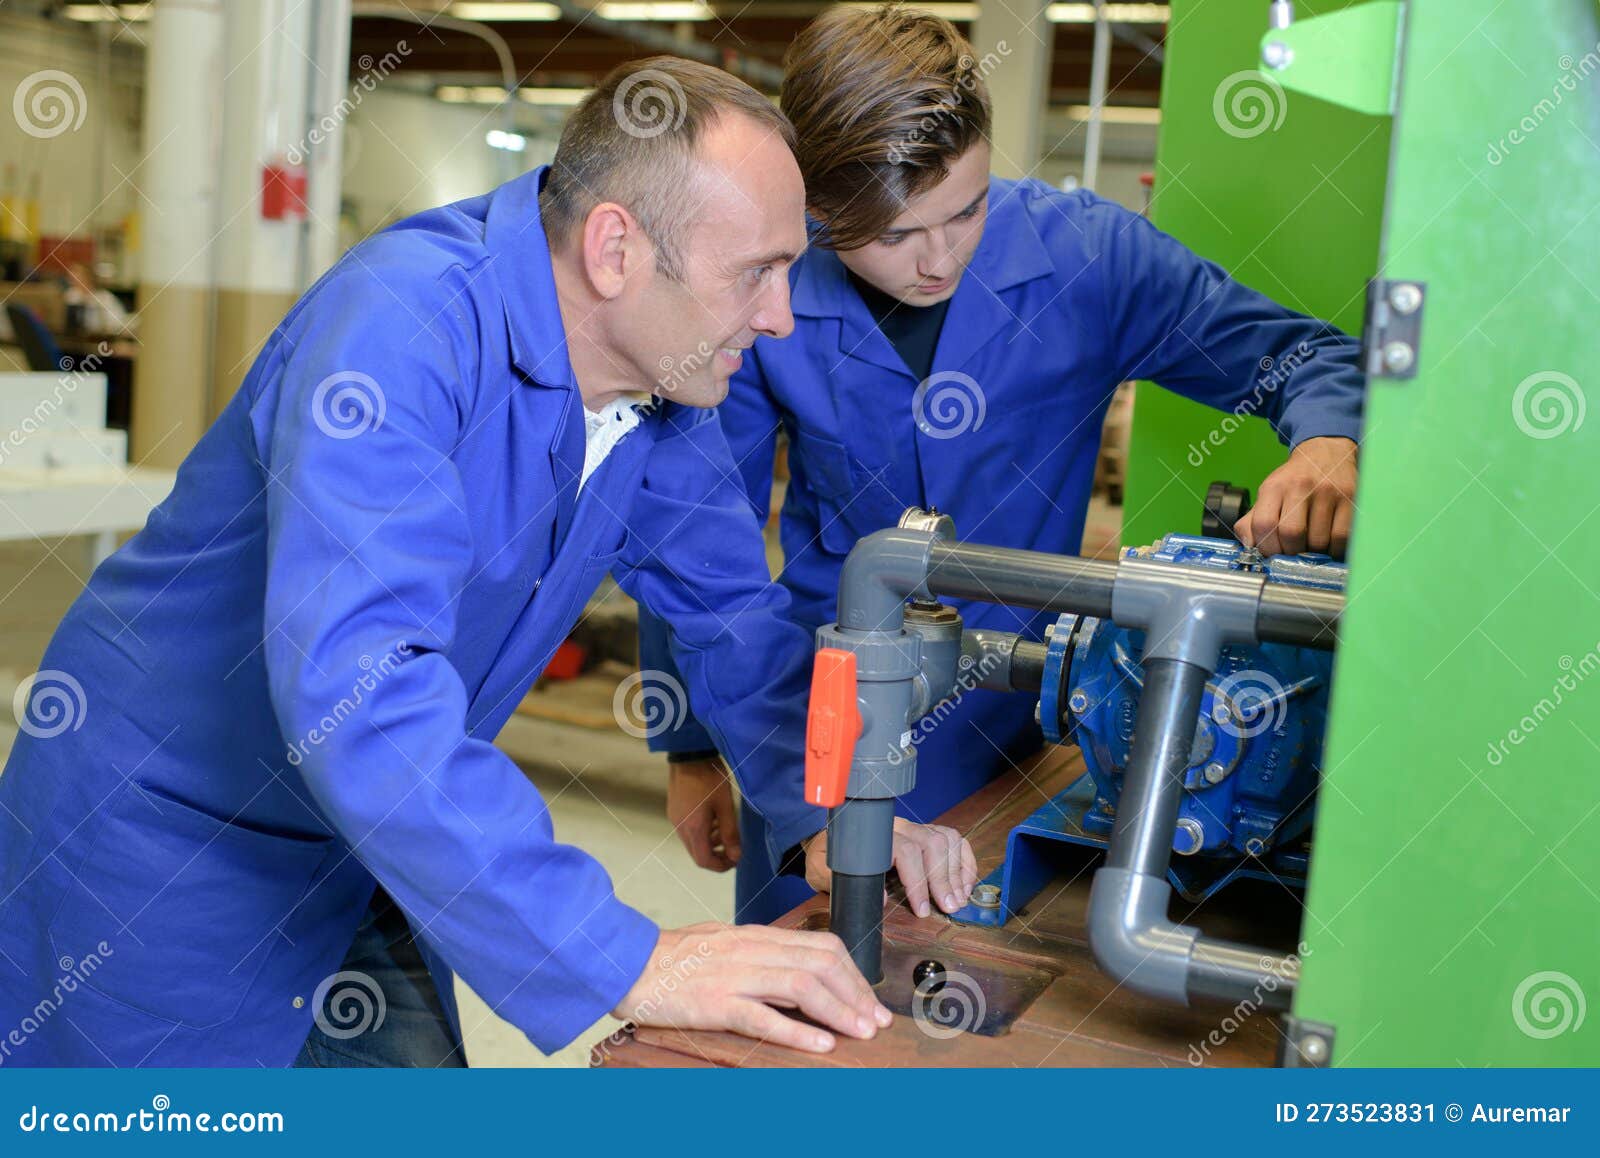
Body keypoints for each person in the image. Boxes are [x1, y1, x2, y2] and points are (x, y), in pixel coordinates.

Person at [0, 56, 975, 1068]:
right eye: (755, 273)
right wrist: (626, 956)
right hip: (168, 849)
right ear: (614, 250)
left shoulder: (661, 394)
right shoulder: (399, 334)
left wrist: (834, 816)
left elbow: (731, 618)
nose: (779, 316)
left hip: (365, 839)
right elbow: (364, 686)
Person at [642, 4, 1366, 925]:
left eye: (967, 210)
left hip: (1028, 720)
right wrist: (697, 745)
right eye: (893, 237)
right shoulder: (760, 292)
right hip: (808, 718)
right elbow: (698, 541)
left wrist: (1328, 441)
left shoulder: (1091, 259)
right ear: (815, 206)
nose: (937, 259)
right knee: (804, 1010)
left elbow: (1305, 358)